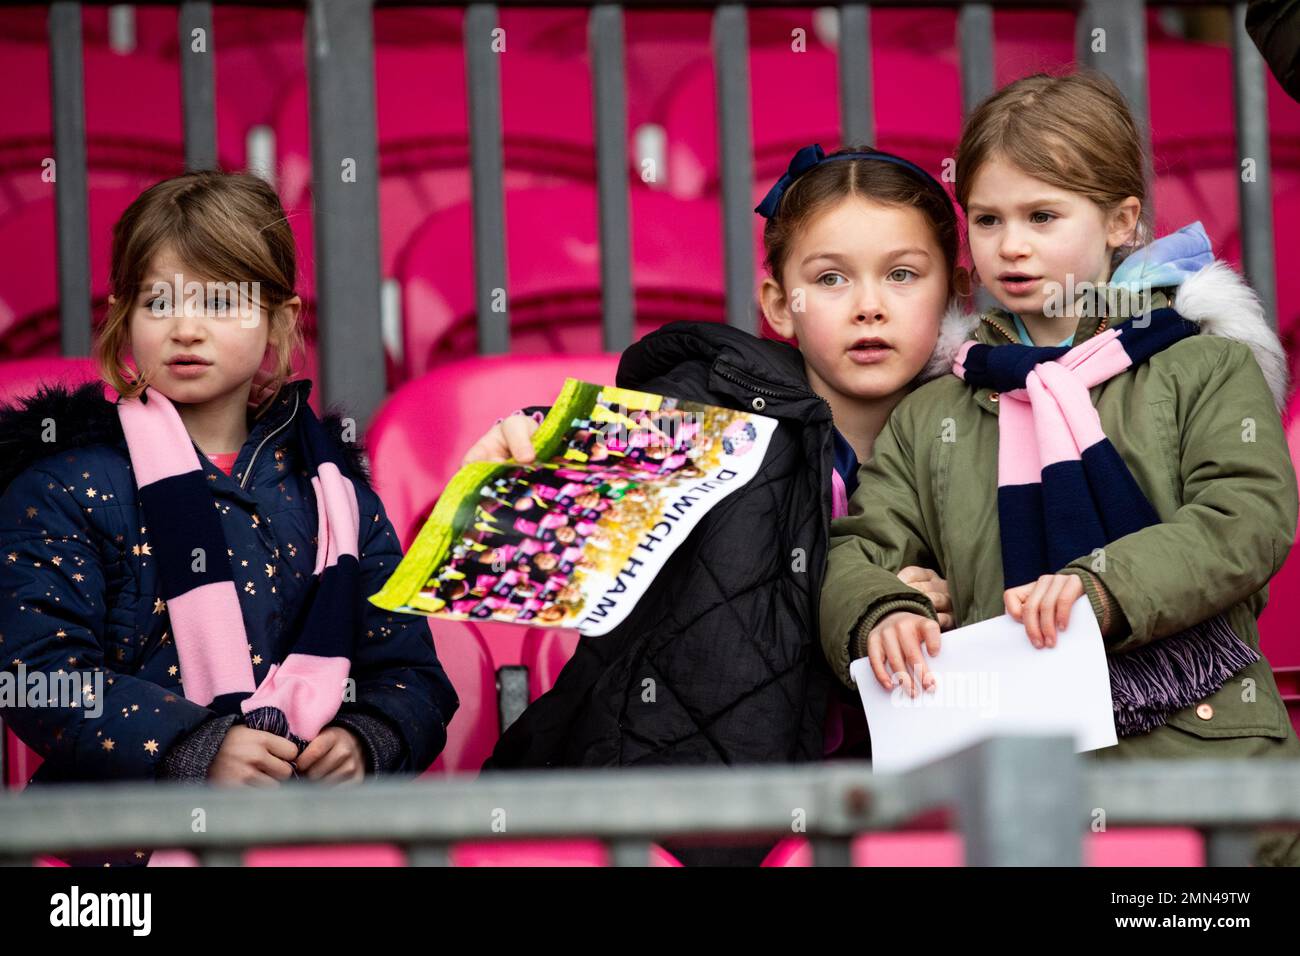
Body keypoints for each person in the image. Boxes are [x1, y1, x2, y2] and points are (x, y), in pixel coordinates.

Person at [819, 71, 1300, 865]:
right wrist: (879, 614)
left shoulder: (1203, 366)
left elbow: (1246, 518)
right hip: (1012, 794)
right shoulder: (934, 409)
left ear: (1121, 221)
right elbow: (856, 549)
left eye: (1043, 216)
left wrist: (1100, 585)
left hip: (1210, 776)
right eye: (987, 219)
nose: (1011, 245)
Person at [468, 144, 964, 864]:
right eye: (830, 278)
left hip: (880, 809)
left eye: (902, 275)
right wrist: (527, 454)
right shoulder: (721, 408)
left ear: (952, 296)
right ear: (778, 306)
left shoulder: (975, 438)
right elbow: (610, 470)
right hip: (673, 797)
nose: (869, 305)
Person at [0, 171, 458, 865]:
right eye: (159, 302)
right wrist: (195, 748)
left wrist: (368, 739)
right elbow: (37, 675)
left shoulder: (336, 496)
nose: (186, 328)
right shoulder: (65, 484)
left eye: (220, 301)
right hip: (114, 849)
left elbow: (412, 675)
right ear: (125, 318)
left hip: (306, 837)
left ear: (279, 318)